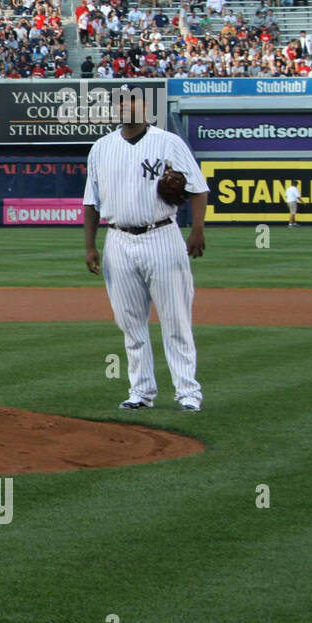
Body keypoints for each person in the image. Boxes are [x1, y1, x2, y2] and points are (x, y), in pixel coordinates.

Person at [83, 92, 208, 412]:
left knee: (176, 320)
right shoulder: (100, 148)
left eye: (132, 102)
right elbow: (91, 202)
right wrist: (90, 246)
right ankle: (141, 391)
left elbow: (197, 187)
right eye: (120, 104)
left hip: (162, 235)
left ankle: (188, 392)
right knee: (130, 323)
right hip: (118, 240)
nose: (125, 108)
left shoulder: (168, 142)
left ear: (146, 108)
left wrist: (197, 230)